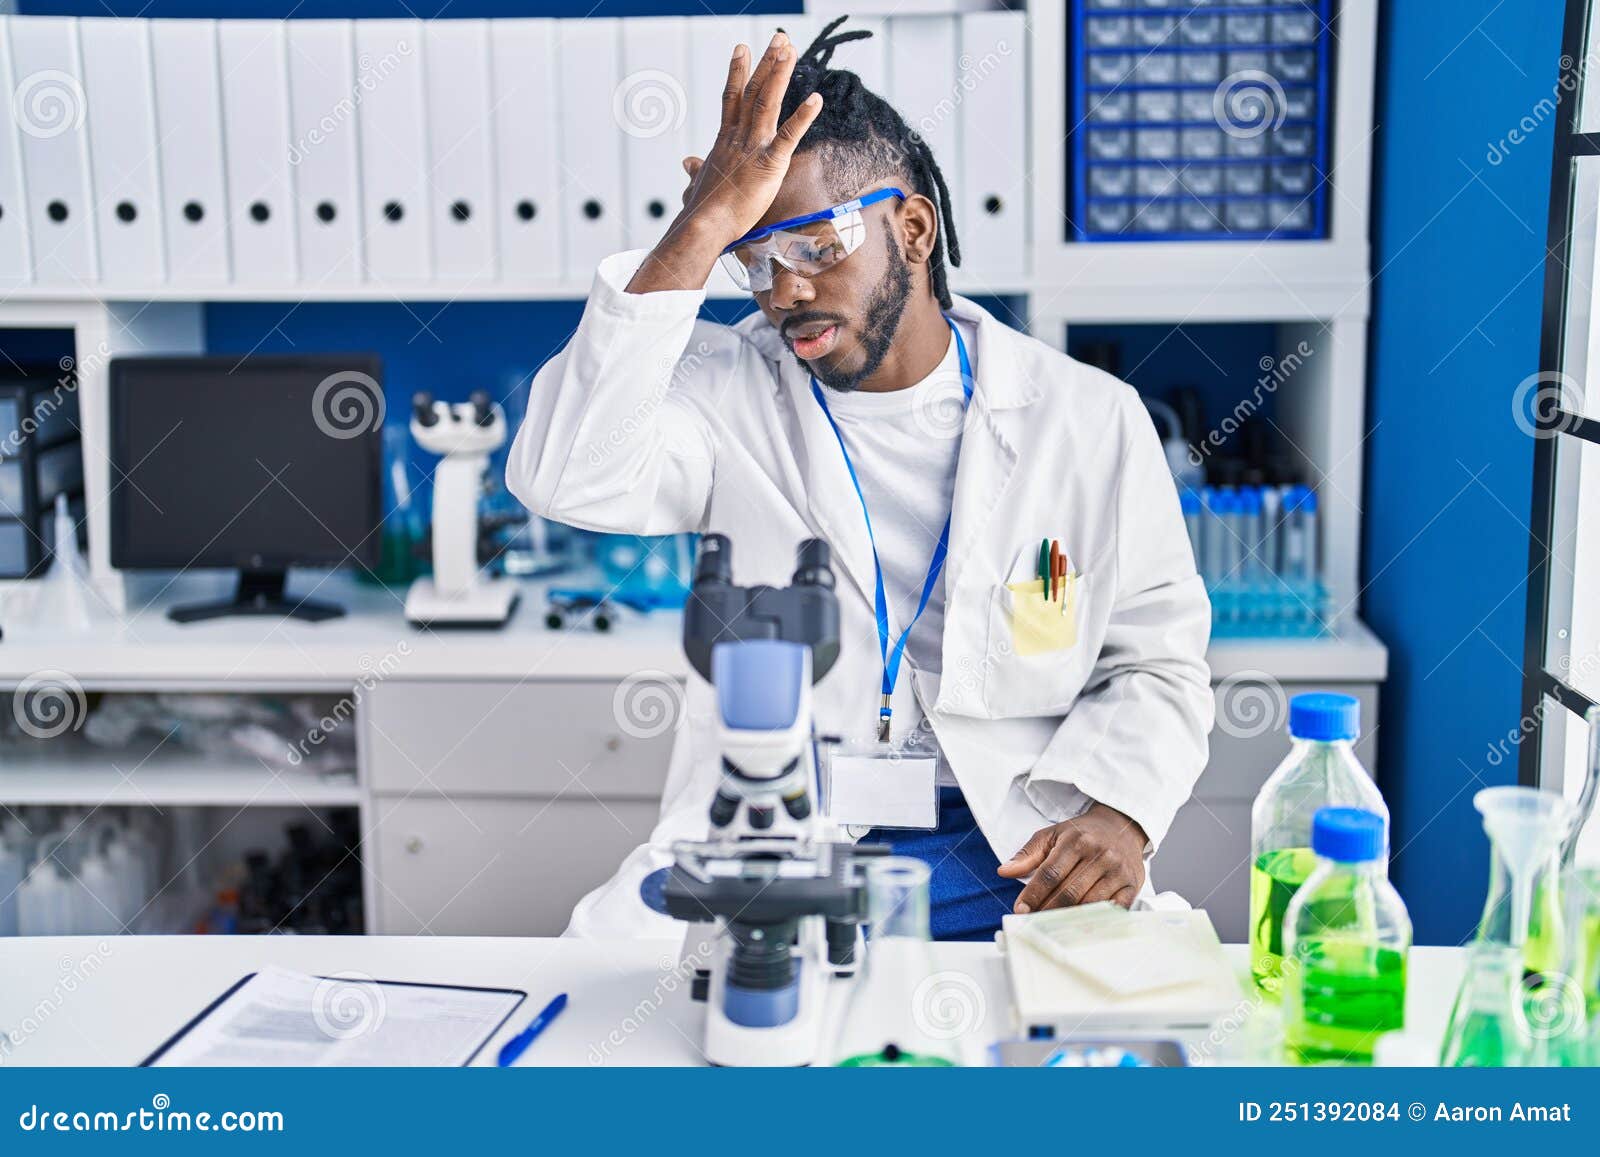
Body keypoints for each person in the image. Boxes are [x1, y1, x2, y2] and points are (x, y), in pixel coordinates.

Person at [507, 19, 1213, 941]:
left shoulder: (1088, 419)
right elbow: (567, 477)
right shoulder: (726, 390)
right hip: (780, 843)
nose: (782, 289)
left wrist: (1121, 811)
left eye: (812, 245)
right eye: (753, 259)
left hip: (1009, 848)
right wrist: (700, 223)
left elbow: (1154, 659)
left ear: (913, 229)